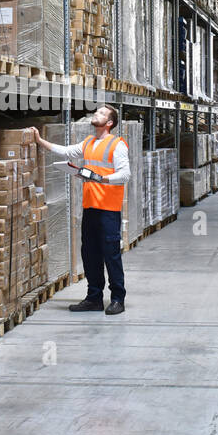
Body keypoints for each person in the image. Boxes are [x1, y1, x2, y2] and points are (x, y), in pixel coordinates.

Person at [31, 105, 130, 315]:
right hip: (90, 207)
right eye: (97, 112)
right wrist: (40, 142)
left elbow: (125, 174)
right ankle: (94, 297)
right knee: (90, 253)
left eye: (102, 113)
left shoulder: (117, 145)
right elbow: (66, 151)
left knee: (111, 254)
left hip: (108, 209)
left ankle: (117, 298)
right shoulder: (88, 143)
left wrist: (102, 178)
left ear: (110, 123)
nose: (97, 114)